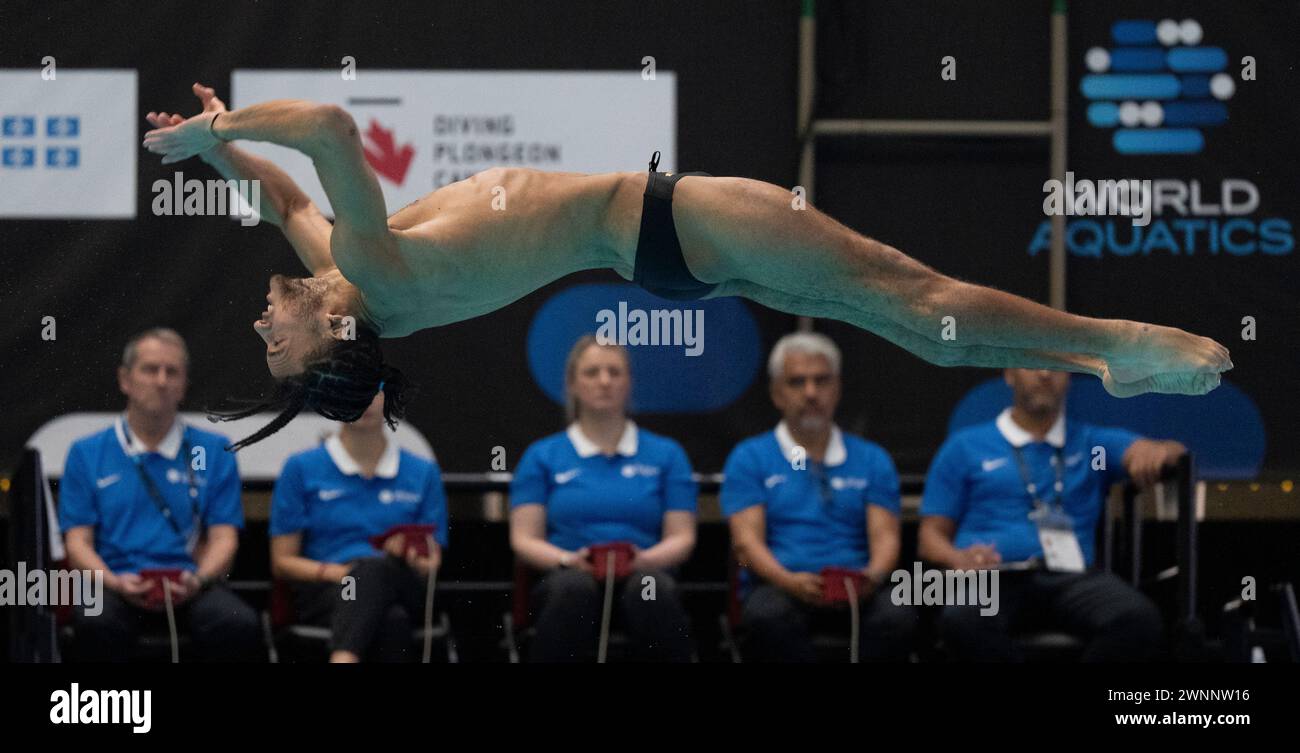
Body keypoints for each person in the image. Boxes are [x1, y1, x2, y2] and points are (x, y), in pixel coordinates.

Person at [142, 84, 1232, 450]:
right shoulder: (376, 275)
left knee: (906, 323)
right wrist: (236, 122)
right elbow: (329, 127)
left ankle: (1100, 369)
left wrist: (214, 146)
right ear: (335, 336)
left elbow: (284, 193)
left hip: (658, 260)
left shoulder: (341, 270)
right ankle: (1113, 345)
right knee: (910, 295)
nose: (257, 330)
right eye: (280, 351)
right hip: (676, 223)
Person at [919, 367, 1181, 661]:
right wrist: (958, 559)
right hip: (995, 576)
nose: (1045, 374)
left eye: (1055, 365)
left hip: (1073, 578)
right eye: (1032, 363)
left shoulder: (1091, 445)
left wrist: (1157, 451)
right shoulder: (964, 446)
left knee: (1138, 619)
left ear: (1069, 376)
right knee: (961, 620)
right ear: (1009, 374)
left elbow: (1166, 451)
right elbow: (930, 536)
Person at [58, 328, 262, 661]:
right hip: (115, 583)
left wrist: (198, 580)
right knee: (94, 621)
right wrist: (113, 581)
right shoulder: (87, 452)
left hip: (188, 583)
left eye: (172, 372)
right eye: (150, 370)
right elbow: (77, 542)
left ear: (183, 385)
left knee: (237, 623)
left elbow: (225, 539)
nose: (161, 381)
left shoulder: (213, 450)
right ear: (125, 380)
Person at [721, 332, 917, 661]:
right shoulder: (750, 457)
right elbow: (745, 543)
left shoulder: (873, 459)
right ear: (776, 393)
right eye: (797, 382)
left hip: (858, 586)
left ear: (837, 388)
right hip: (781, 585)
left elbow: (886, 538)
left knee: (898, 615)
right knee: (767, 616)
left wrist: (872, 577)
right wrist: (789, 581)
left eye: (821, 380)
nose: (811, 393)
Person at [509, 336, 697, 662]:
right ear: (572, 384)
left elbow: (682, 537)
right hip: (566, 574)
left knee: (650, 591)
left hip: (644, 571)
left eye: (615, 372)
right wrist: (568, 561)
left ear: (629, 382)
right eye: (592, 372)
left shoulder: (667, 454)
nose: (604, 381)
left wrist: (645, 561)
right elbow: (524, 539)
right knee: (573, 589)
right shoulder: (542, 456)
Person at [269, 390, 448, 662]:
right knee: (391, 618)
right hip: (328, 587)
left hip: (403, 582)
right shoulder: (300, 468)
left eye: (372, 390)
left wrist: (411, 557)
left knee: (376, 571)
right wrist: (344, 574)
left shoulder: (423, 472)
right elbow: (283, 561)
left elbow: (432, 563)